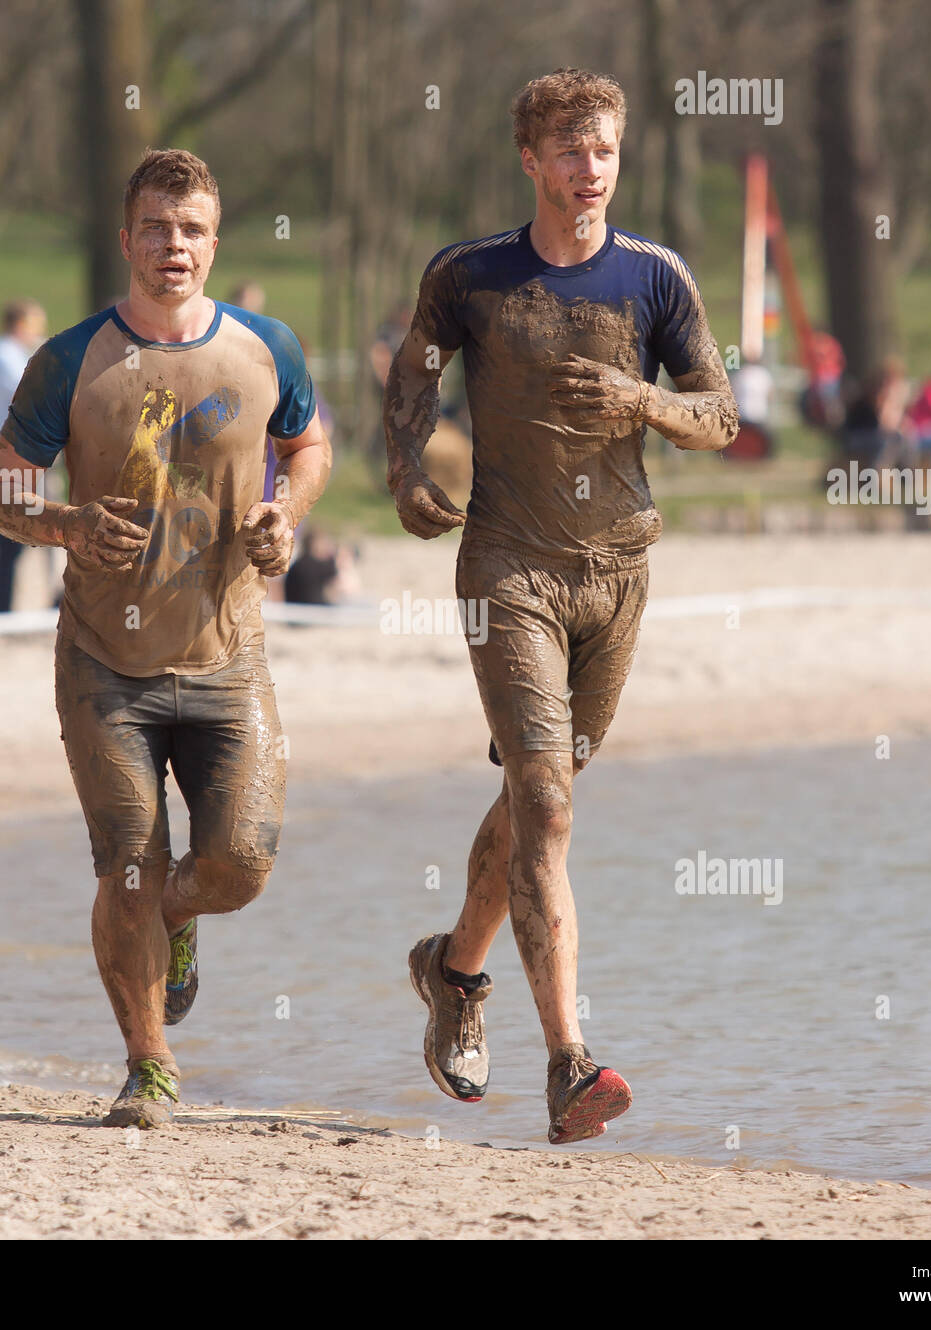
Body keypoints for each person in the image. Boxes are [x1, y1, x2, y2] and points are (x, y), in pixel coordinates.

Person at [383, 69, 738, 1144]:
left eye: (605, 151)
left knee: (540, 798)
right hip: (508, 564)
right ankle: (568, 1061)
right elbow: (412, 378)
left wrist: (641, 399)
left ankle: (451, 970)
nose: (590, 171)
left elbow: (720, 416)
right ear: (530, 159)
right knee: (544, 805)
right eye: (570, 151)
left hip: (618, 573)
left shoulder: (654, 277)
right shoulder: (470, 275)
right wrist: (404, 469)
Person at [0, 149, 331, 1129]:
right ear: (127, 237)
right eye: (155, 227)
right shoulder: (72, 358)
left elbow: (307, 444)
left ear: (213, 243)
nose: (172, 244)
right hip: (104, 662)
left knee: (242, 866)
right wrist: (65, 525)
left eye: (191, 229)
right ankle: (150, 1066)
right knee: (128, 861)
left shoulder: (267, 349)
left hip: (227, 652)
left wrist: (285, 511)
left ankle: (174, 916)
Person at [0, 300, 50, 611]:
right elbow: (27, 393)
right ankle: (3, 608)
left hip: (28, 454)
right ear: (20, 324)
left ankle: (40, 602)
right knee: (10, 536)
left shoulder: (9, 354)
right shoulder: (3, 355)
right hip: (15, 455)